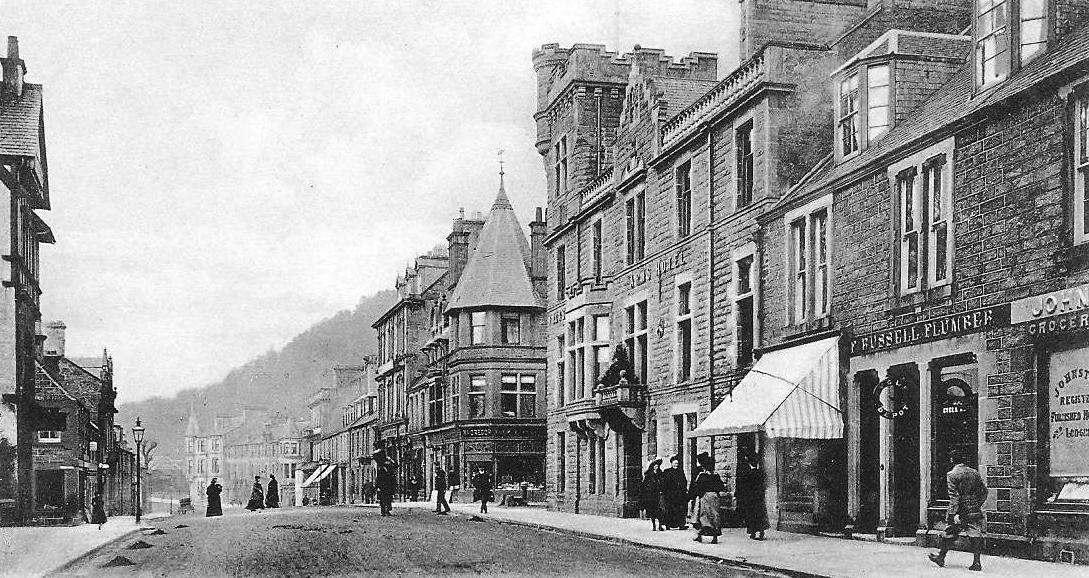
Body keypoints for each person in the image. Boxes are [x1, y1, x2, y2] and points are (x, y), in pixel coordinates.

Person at [930, 450, 988, 572]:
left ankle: (941, 557)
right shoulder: (974, 473)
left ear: (952, 460)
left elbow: (954, 496)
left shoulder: (952, 474)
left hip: (960, 509)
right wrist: (977, 504)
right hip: (973, 508)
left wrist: (954, 513)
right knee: (975, 533)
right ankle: (976, 562)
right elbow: (984, 491)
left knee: (949, 532)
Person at [689, 452, 727, 544]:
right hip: (715, 498)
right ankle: (715, 537)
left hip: (705, 498)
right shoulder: (716, 476)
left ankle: (700, 536)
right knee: (715, 517)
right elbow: (722, 487)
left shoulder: (702, 476)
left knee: (703, 517)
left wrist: (693, 497)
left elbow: (697, 488)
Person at [736, 449, 769, 540]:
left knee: (751, 515)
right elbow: (764, 485)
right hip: (759, 497)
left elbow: (746, 487)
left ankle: (753, 533)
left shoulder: (748, 474)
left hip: (751, 498)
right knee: (760, 514)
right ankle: (761, 532)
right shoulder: (760, 472)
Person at [659, 455, 688, 530]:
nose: (676, 465)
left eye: (677, 463)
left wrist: (683, 489)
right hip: (670, 494)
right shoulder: (667, 472)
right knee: (670, 510)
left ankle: (681, 525)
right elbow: (664, 483)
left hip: (679, 494)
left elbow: (684, 481)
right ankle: (668, 525)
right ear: (671, 463)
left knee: (680, 510)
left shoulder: (680, 472)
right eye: (675, 463)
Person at [641, 458, 663, 531]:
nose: (656, 467)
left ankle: (660, 525)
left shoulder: (660, 473)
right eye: (655, 465)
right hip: (651, 495)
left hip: (659, 495)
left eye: (657, 466)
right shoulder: (649, 475)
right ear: (652, 466)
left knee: (660, 510)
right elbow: (644, 485)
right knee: (652, 511)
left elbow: (663, 483)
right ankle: (654, 525)